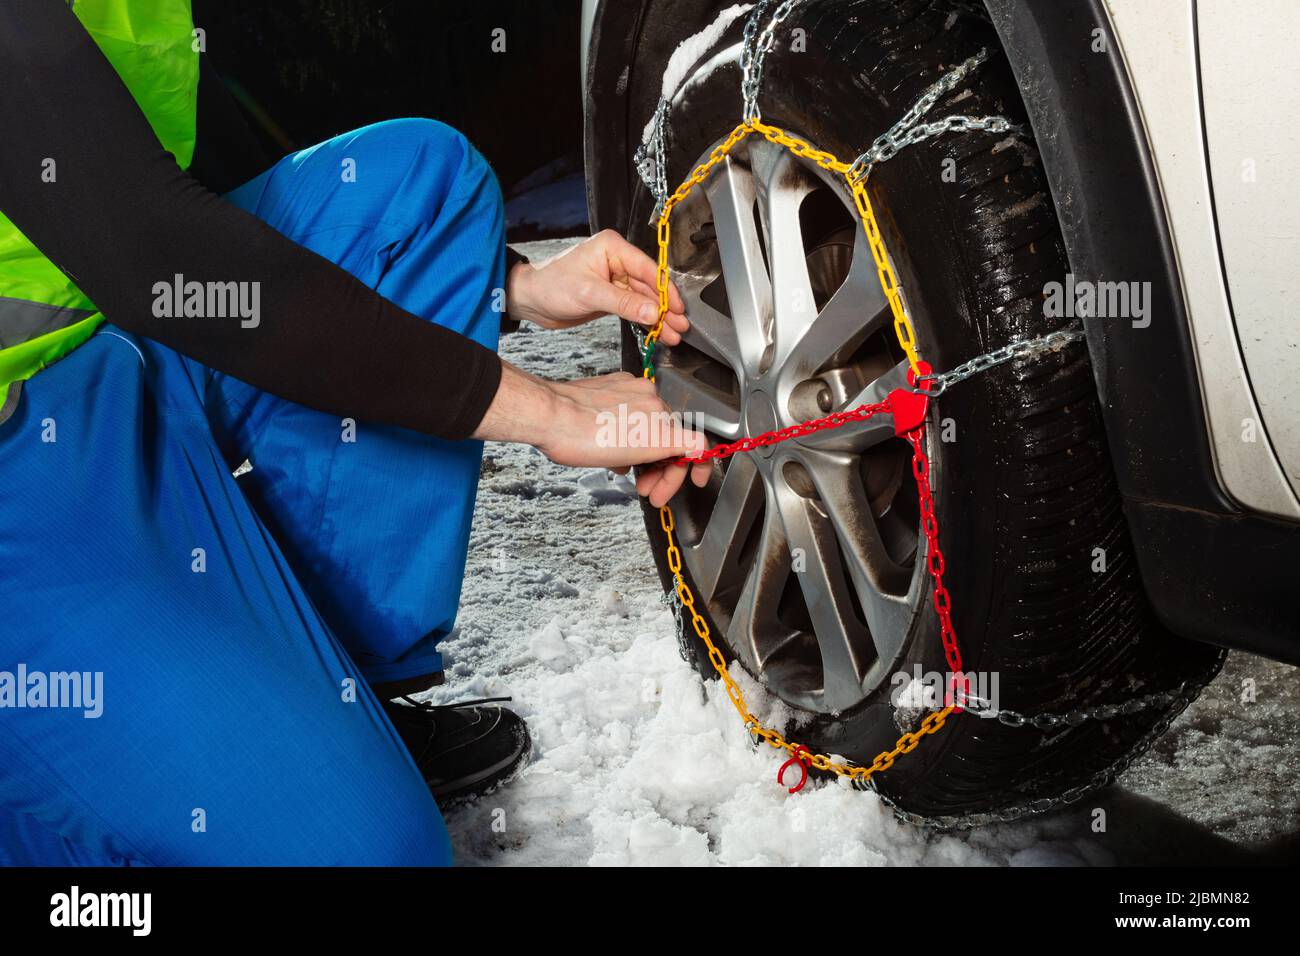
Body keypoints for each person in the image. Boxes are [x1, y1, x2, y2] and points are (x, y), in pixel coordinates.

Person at [0, 0, 709, 866]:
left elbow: (177, 196)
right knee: (370, 855)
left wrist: (511, 289)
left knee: (420, 187)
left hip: (106, 364)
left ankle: (338, 703)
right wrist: (552, 412)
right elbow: (162, 254)